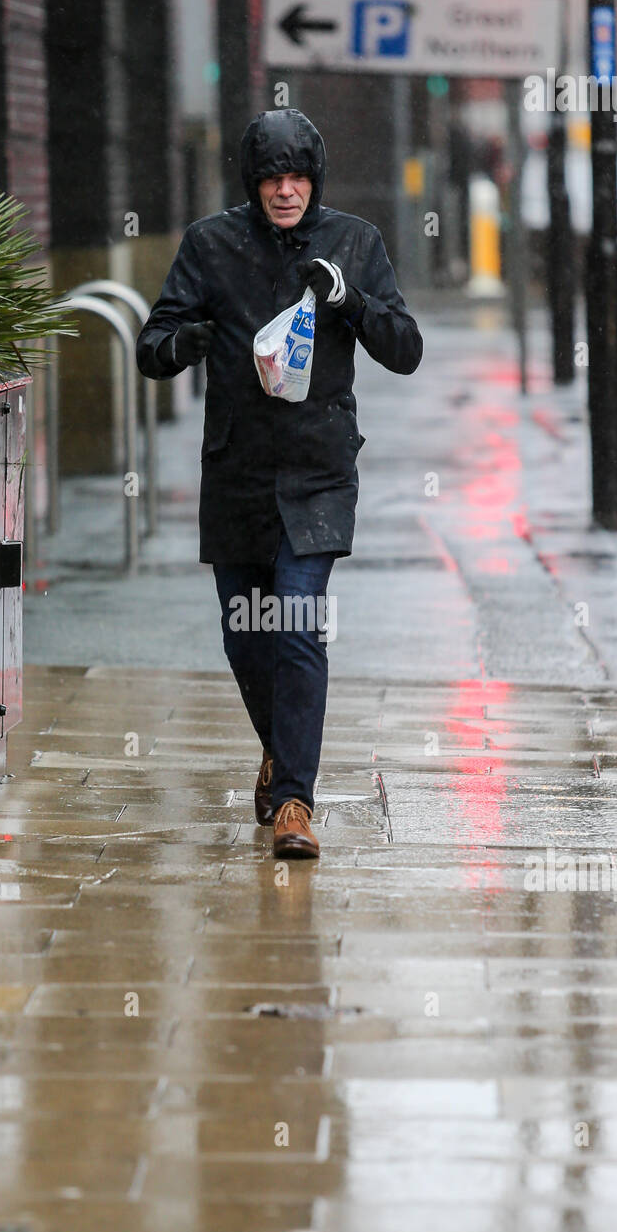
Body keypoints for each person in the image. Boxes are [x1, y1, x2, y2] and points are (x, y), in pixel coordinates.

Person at [136, 108, 422, 859]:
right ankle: (277, 747)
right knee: (245, 634)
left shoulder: (353, 242)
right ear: (253, 183)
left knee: (296, 621)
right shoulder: (210, 244)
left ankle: (296, 799)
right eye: (272, 177)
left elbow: (406, 348)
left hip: (317, 470)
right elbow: (152, 344)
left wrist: (349, 301)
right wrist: (182, 344)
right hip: (236, 472)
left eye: (297, 177)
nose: (286, 190)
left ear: (315, 181)